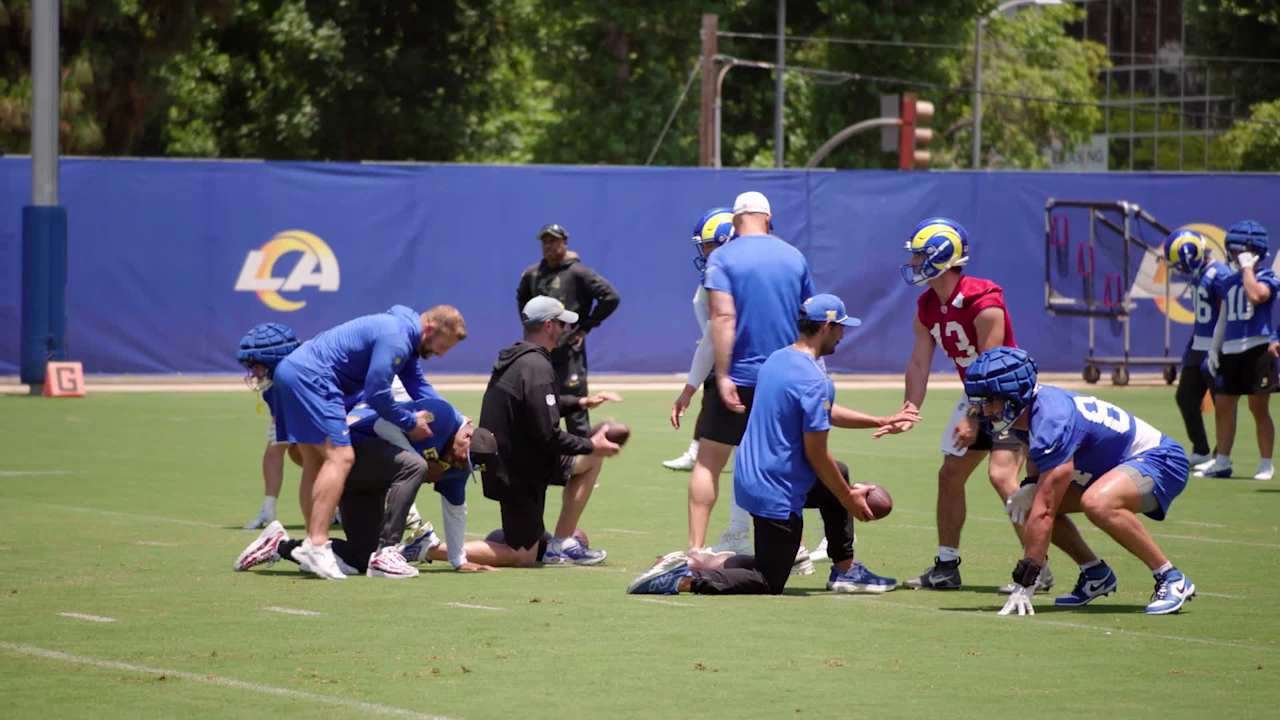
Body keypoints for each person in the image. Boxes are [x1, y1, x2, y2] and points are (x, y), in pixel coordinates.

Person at [627, 294, 917, 596]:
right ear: (826, 326)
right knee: (769, 579)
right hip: (775, 489)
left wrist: (878, 420)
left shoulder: (779, 359)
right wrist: (848, 499)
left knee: (838, 474)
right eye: (841, 327)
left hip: (753, 476)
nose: (843, 334)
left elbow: (822, 410)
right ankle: (684, 578)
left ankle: (844, 571)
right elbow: (816, 454)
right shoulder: (815, 380)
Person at [894, 217, 1091, 593]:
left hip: (1008, 400)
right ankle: (946, 565)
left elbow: (993, 365)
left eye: (921, 255)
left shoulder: (983, 300)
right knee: (949, 475)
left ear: (942, 256)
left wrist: (972, 416)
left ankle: (1038, 567)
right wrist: (910, 407)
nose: (915, 262)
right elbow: (919, 361)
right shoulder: (927, 304)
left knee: (1002, 477)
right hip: (977, 395)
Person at [962, 347, 1198, 616]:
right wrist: (1030, 483)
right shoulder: (1025, 410)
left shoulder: (1052, 419)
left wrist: (1025, 579)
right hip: (1112, 465)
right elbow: (1037, 460)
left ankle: (1171, 577)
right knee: (1031, 502)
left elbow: (1046, 510)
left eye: (990, 399)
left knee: (1096, 503)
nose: (983, 408)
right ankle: (1094, 573)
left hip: (1160, 459)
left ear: (1014, 395)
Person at [266, 304, 466, 580]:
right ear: (430, 329)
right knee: (341, 457)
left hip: (292, 372)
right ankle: (317, 545)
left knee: (316, 461)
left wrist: (459, 421)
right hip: (313, 378)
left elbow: (419, 387)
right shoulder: (398, 337)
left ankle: (313, 543)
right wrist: (409, 423)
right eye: (442, 346)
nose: (440, 354)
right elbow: (376, 392)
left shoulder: (404, 335)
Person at [234, 396, 484, 578]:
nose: (461, 463)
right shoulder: (440, 414)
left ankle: (278, 545)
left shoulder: (458, 466)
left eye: (469, 466)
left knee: (360, 557)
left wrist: (458, 560)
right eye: (465, 457)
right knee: (415, 467)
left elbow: (455, 509)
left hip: (371, 481)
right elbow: (382, 426)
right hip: (353, 452)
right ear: (467, 435)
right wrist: (416, 459)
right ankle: (388, 551)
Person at [702, 191, 818, 571]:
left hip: (742, 373)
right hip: (787, 374)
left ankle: (696, 547)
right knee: (789, 461)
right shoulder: (793, 256)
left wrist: (722, 374)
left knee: (709, 462)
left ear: (735, 222)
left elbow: (722, 318)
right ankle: (795, 547)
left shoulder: (723, 257)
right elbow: (810, 318)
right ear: (768, 218)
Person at [476, 295, 621, 567]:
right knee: (523, 555)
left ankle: (558, 542)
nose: (565, 330)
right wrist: (592, 446)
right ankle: (434, 549)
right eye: (562, 324)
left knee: (530, 543)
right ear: (548, 326)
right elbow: (548, 435)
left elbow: (535, 410)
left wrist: (580, 402)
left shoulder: (520, 358)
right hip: (518, 471)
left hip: (512, 461)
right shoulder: (537, 366)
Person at [662, 207, 756, 552]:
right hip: (769, 372)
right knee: (767, 457)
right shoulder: (768, 268)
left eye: (706, 246)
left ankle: (719, 540)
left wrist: (690, 387)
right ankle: (742, 533)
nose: (702, 254)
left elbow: (714, 339)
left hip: (737, 374)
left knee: (719, 460)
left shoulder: (717, 284)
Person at [516, 223, 621, 437]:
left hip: (568, 350)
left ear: (564, 243)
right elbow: (522, 300)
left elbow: (610, 297)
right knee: (536, 406)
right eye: (545, 242)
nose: (549, 246)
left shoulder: (577, 272)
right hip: (540, 352)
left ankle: (581, 465)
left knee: (576, 412)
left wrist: (584, 328)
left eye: (554, 241)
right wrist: (531, 329)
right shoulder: (532, 274)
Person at [1195, 221, 1277, 481]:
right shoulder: (1228, 281)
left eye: (1238, 251)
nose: (1233, 256)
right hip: (1230, 350)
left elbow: (1256, 296)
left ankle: (1266, 463)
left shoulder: (1267, 277)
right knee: (1223, 404)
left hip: (1257, 347)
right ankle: (1222, 460)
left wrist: (1247, 269)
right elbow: (1224, 317)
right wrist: (1214, 349)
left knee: (1258, 407)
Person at [1164, 230, 1226, 468]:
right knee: (1185, 397)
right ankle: (1201, 450)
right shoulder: (1200, 273)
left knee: (1222, 402)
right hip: (1198, 345)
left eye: (1180, 264)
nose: (1179, 269)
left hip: (1215, 346)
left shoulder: (1219, 274)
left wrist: (1217, 349)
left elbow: (1225, 313)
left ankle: (1222, 455)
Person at [236, 322, 301, 530]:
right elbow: (275, 447)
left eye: (257, 365)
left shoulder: (302, 381)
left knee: (319, 453)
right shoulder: (272, 389)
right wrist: (269, 504)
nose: (253, 373)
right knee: (297, 451)